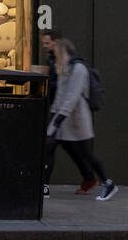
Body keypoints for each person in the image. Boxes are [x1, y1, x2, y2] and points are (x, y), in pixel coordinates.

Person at [45, 37, 117, 201]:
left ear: (64, 51)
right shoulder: (64, 68)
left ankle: (107, 183)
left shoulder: (78, 69)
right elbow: (61, 96)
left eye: (56, 51)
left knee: (87, 155)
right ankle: (96, 181)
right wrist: (55, 117)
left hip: (78, 121)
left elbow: (72, 97)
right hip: (66, 121)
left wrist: (57, 120)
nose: (54, 54)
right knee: (58, 148)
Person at [40, 29, 93, 193]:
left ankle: (95, 178)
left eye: (48, 43)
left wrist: (46, 81)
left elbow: (67, 89)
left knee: (68, 148)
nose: (45, 46)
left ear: (56, 42)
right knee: (54, 146)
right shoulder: (52, 58)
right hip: (57, 109)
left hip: (65, 112)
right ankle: (45, 185)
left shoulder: (70, 62)